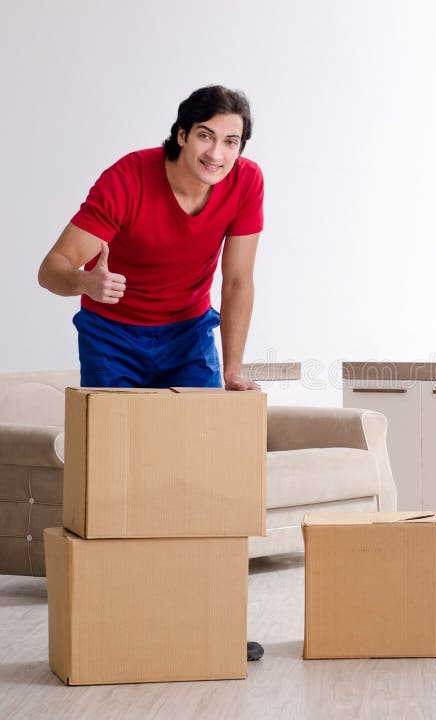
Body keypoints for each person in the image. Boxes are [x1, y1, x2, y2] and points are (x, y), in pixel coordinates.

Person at [38, 85, 266, 662]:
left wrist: (232, 368)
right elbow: (53, 269)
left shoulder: (245, 183)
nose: (218, 153)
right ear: (183, 134)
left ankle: (208, 619)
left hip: (189, 334)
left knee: (201, 478)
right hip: (113, 336)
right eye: (207, 136)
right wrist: (86, 282)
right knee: (118, 479)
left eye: (231, 141)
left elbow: (237, 281)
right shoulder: (129, 179)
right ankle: (117, 619)